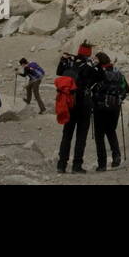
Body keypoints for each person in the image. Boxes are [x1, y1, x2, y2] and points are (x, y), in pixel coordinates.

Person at [55, 42, 95, 173]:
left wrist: (63, 60)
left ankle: (61, 165)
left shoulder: (70, 63)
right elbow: (96, 79)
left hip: (69, 103)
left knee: (67, 135)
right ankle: (77, 165)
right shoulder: (88, 66)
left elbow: (59, 72)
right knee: (81, 136)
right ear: (88, 53)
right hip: (83, 104)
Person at [89, 51, 129, 171]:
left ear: (99, 61)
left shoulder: (98, 73)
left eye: (95, 60)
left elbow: (91, 87)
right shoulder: (118, 73)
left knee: (99, 135)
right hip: (115, 107)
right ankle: (116, 157)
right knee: (111, 131)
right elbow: (126, 89)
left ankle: (102, 164)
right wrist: (119, 98)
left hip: (100, 108)